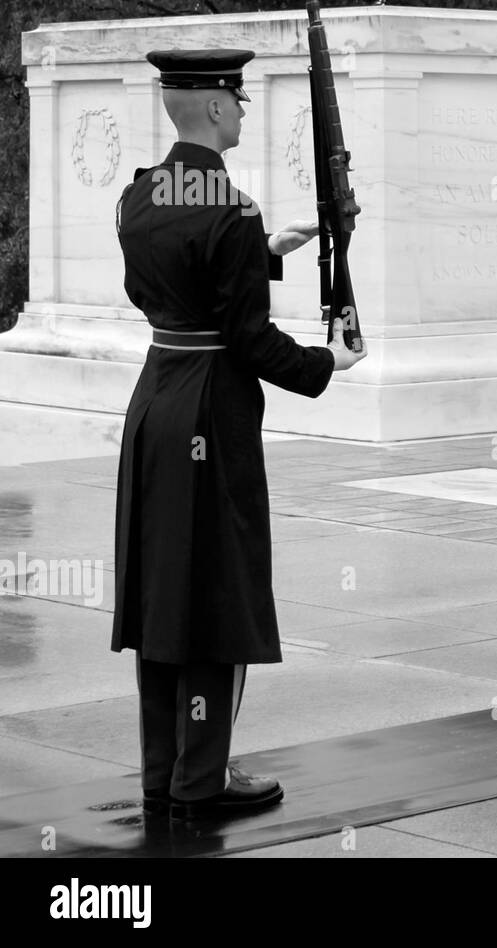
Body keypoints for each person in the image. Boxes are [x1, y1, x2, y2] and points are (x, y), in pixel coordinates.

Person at [112, 48, 366, 822]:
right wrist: (331, 361)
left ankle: (166, 773)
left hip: (154, 401)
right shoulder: (233, 208)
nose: (244, 111)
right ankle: (203, 781)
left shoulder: (136, 196)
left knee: (163, 591)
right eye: (239, 100)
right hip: (211, 413)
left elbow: (157, 279)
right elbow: (250, 340)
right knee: (214, 591)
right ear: (216, 108)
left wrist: (263, 256)